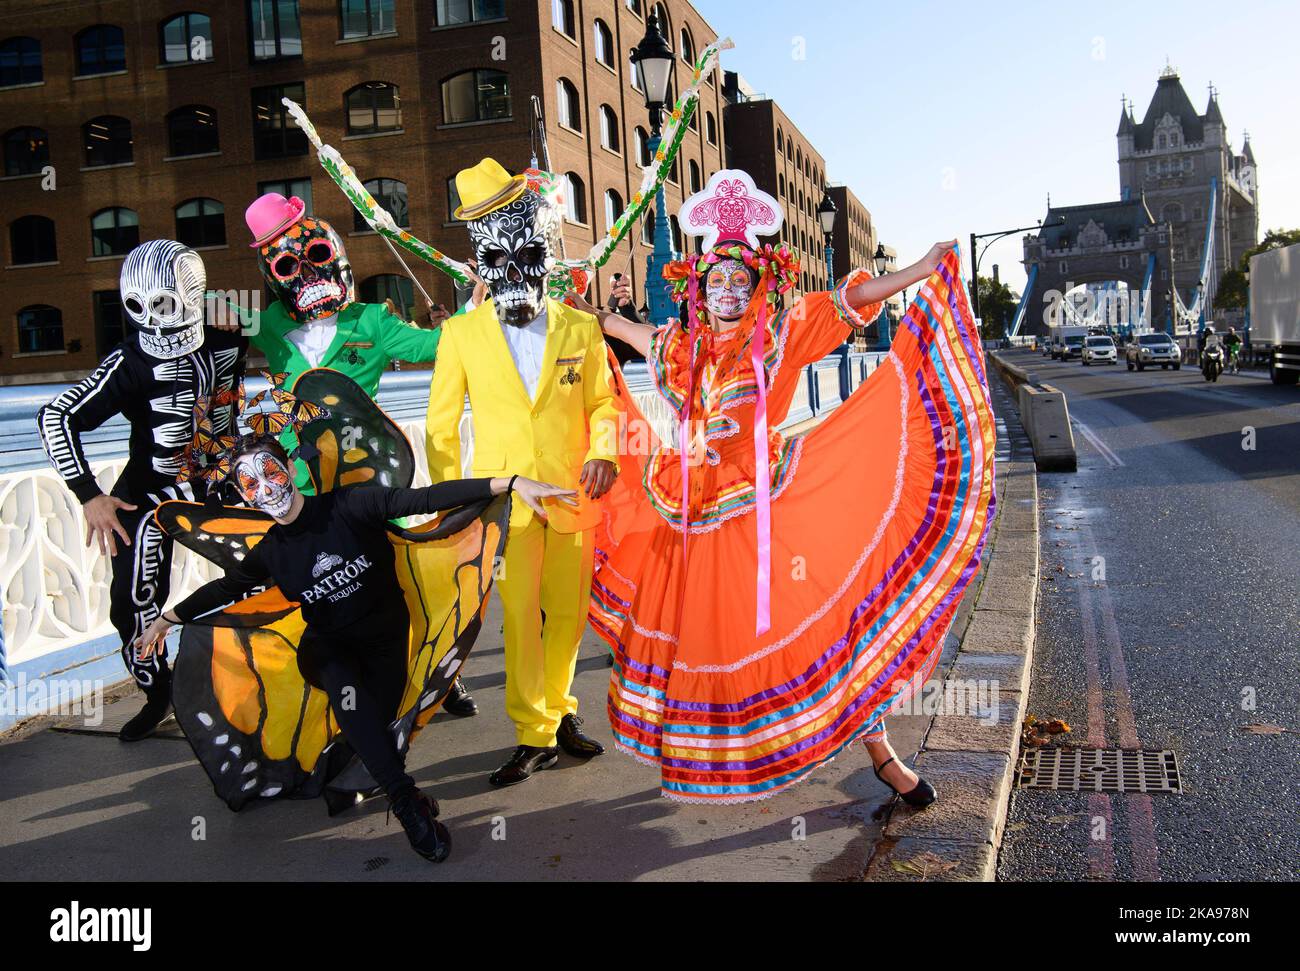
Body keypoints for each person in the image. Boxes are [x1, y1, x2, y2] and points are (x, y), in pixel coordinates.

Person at [570, 169, 997, 806]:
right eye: (716, 281)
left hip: (770, 509)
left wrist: (919, 267)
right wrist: (580, 309)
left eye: (741, 281)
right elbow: (618, 328)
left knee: (820, 631)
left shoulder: (781, 335)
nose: (728, 292)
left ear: (758, 285)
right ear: (699, 287)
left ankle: (882, 756)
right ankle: (707, 755)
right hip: (687, 512)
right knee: (706, 644)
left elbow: (852, 300)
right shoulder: (680, 345)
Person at [135, 433, 575, 862]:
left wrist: (511, 483)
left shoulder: (351, 504)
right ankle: (409, 806)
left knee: (375, 729)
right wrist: (166, 619)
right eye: (251, 484)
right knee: (349, 700)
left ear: (290, 469)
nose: (266, 488)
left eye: (270, 472)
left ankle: (353, 771)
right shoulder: (271, 552)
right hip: (327, 650)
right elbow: (229, 587)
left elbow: (425, 499)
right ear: (242, 495)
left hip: (386, 645)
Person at [425, 159, 621, 786]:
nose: (515, 274)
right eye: (499, 263)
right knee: (519, 620)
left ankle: (561, 710)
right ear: (482, 265)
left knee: (567, 615)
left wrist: (605, 452)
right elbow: (440, 425)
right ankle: (531, 731)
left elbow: (602, 403)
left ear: (548, 255)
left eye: (528, 256)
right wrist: (452, 505)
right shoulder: (459, 335)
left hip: (572, 495)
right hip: (504, 506)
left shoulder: (582, 326)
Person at [36, 240, 246, 742]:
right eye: (138, 306)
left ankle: (277, 678)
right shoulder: (129, 362)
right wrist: (90, 493)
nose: (153, 319)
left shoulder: (228, 340)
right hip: (147, 496)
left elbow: (284, 318)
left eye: (166, 302)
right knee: (132, 603)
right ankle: (161, 693)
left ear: (193, 296)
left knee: (272, 574)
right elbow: (55, 416)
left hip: (224, 486)